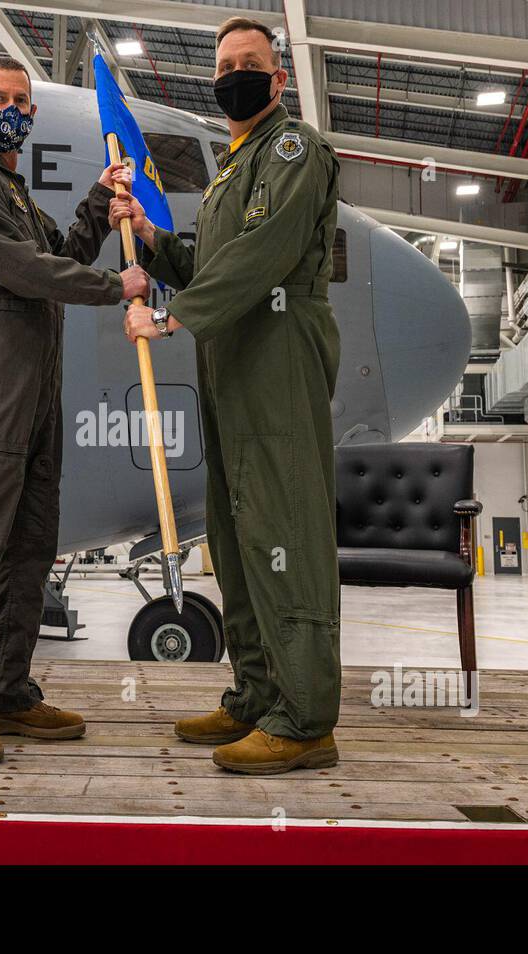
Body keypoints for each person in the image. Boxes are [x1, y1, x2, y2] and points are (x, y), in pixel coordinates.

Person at [110, 17, 343, 775]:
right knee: (239, 541)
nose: (234, 74)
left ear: (279, 80)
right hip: (230, 363)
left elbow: (259, 254)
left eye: (251, 64)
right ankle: (255, 695)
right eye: (225, 65)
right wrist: (148, 234)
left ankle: (305, 718)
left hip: (275, 358)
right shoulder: (232, 168)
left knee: (284, 532)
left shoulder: (291, 151)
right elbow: (207, 259)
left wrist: (172, 316)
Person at [0, 55, 149, 765]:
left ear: (33, 114)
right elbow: (21, 270)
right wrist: (118, 287)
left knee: (28, 540)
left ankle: (3, 691)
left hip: (36, 377)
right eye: (0, 97)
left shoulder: (16, 192)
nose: (11, 107)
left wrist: (98, 207)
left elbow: (59, 251)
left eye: (22, 99)